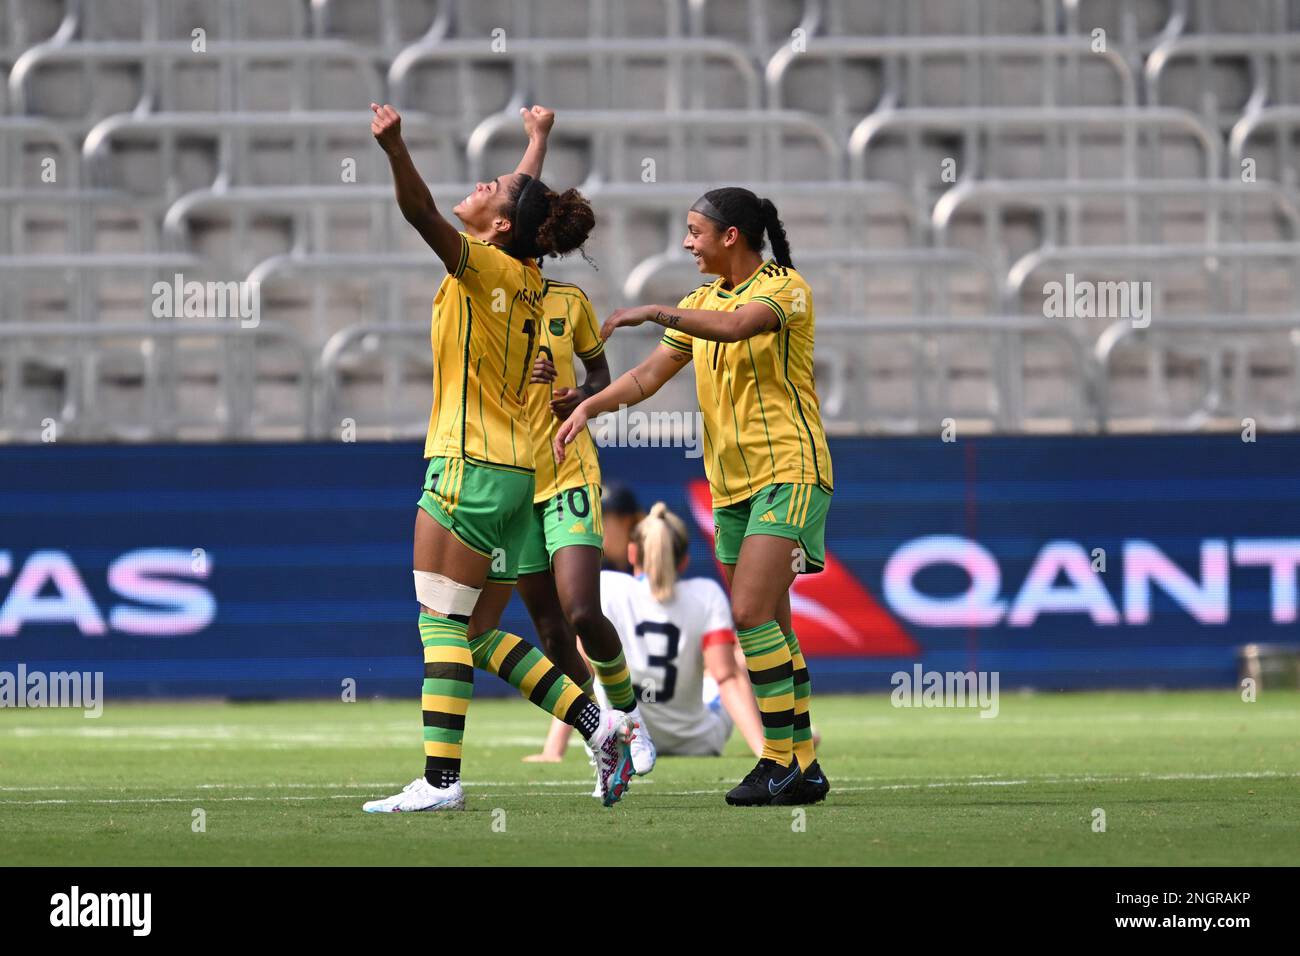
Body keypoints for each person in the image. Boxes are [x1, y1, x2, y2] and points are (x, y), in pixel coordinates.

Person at [361, 103, 637, 813]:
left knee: (439, 626)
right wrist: (535, 142)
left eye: (491, 188)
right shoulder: (528, 279)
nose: (484, 186)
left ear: (499, 228)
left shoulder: (481, 266)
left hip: (466, 467)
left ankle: (440, 783)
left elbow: (420, 210)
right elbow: (523, 201)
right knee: (478, 635)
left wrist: (396, 149)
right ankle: (598, 721)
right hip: (520, 479)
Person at [555, 187, 832, 806]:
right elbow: (648, 377)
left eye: (694, 232)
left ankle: (776, 759)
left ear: (730, 236)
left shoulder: (785, 288)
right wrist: (589, 406)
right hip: (731, 484)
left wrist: (654, 311)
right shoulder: (701, 300)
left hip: (789, 472)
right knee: (773, 623)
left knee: (752, 614)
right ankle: (806, 764)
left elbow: (736, 329)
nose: (686, 243)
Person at [511, 270, 658, 780]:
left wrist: (579, 395)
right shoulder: (480, 291)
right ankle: (602, 735)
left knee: (580, 610)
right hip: (509, 481)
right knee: (551, 635)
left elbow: (599, 375)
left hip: (568, 470)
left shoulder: (569, 299)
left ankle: (630, 719)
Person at [526, 502, 766, 764]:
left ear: (632, 553)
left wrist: (553, 750)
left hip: (621, 737)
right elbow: (726, 677)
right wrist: (763, 751)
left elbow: (581, 673)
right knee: (736, 660)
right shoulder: (707, 594)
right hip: (696, 740)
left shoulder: (606, 587)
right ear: (684, 561)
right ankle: (779, 740)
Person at [598, 483, 643, 573]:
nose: (594, 527)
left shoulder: (651, 567)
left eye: (602, 518)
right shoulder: (590, 570)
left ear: (626, 521)